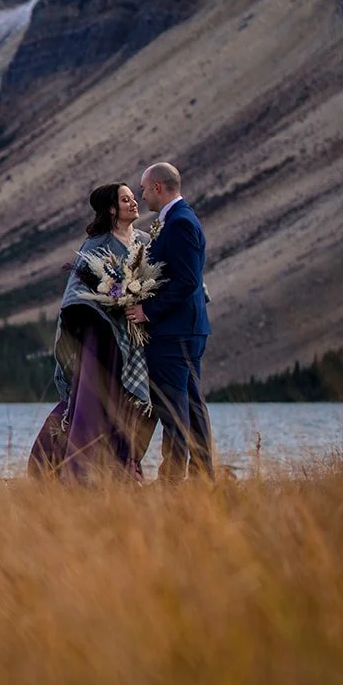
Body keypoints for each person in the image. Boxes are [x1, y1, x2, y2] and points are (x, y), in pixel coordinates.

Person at [29, 183, 158, 481]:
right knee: (94, 401)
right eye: (125, 200)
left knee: (130, 402)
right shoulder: (96, 244)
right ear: (112, 209)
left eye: (133, 198)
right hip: (101, 341)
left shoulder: (145, 240)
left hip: (135, 337)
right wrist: (110, 304)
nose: (134, 203)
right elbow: (75, 294)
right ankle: (81, 469)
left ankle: (123, 468)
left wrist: (140, 303)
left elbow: (157, 283)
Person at [128, 162, 213, 481]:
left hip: (176, 332)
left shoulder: (179, 223)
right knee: (191, 404)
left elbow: (187, 281)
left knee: (172, 406)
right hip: (185, 328)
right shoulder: (176, 220)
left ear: (158, 188)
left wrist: (147, 310)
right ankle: (203, 476)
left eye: (144, 188)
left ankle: (173, 479)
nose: (142, 194)